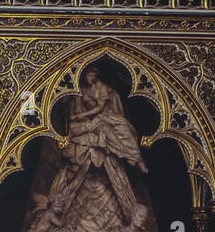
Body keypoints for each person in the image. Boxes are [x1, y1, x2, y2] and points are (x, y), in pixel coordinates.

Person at [51, 67, 147, 222]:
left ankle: (134, 156)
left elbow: (100, 107)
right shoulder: (78, 91)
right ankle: (132, 156)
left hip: (98, 119)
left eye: (95, 75)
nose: (92, 78)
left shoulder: (101, 87)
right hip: (84, 125)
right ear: (83, 75)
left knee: (122, 127)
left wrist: (83, 115)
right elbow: (66, 108)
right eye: (90, 74)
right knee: (105, 131)